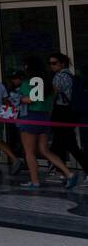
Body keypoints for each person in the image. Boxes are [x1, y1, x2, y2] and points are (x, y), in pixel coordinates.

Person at [16, 55, 79, 189]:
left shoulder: (29, 81)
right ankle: (69, 173)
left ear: (29, 67)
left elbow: (31, 99)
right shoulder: (48, 83)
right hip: (44, 118)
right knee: (45, 150)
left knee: (29, 152)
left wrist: (19, 99)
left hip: (30, 117)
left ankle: (34, 181)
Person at [47, 53, 87, 171]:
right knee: (61, 142)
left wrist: (48, 110)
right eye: (50, 63)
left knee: (67, 143)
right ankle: (61, 170)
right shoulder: (70, 75)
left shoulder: (59, 77)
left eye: (54, 63)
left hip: (61, 112)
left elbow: (53, 95)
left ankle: (65, 170)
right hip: (69, 112)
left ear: (62, 63)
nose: (51, 66)